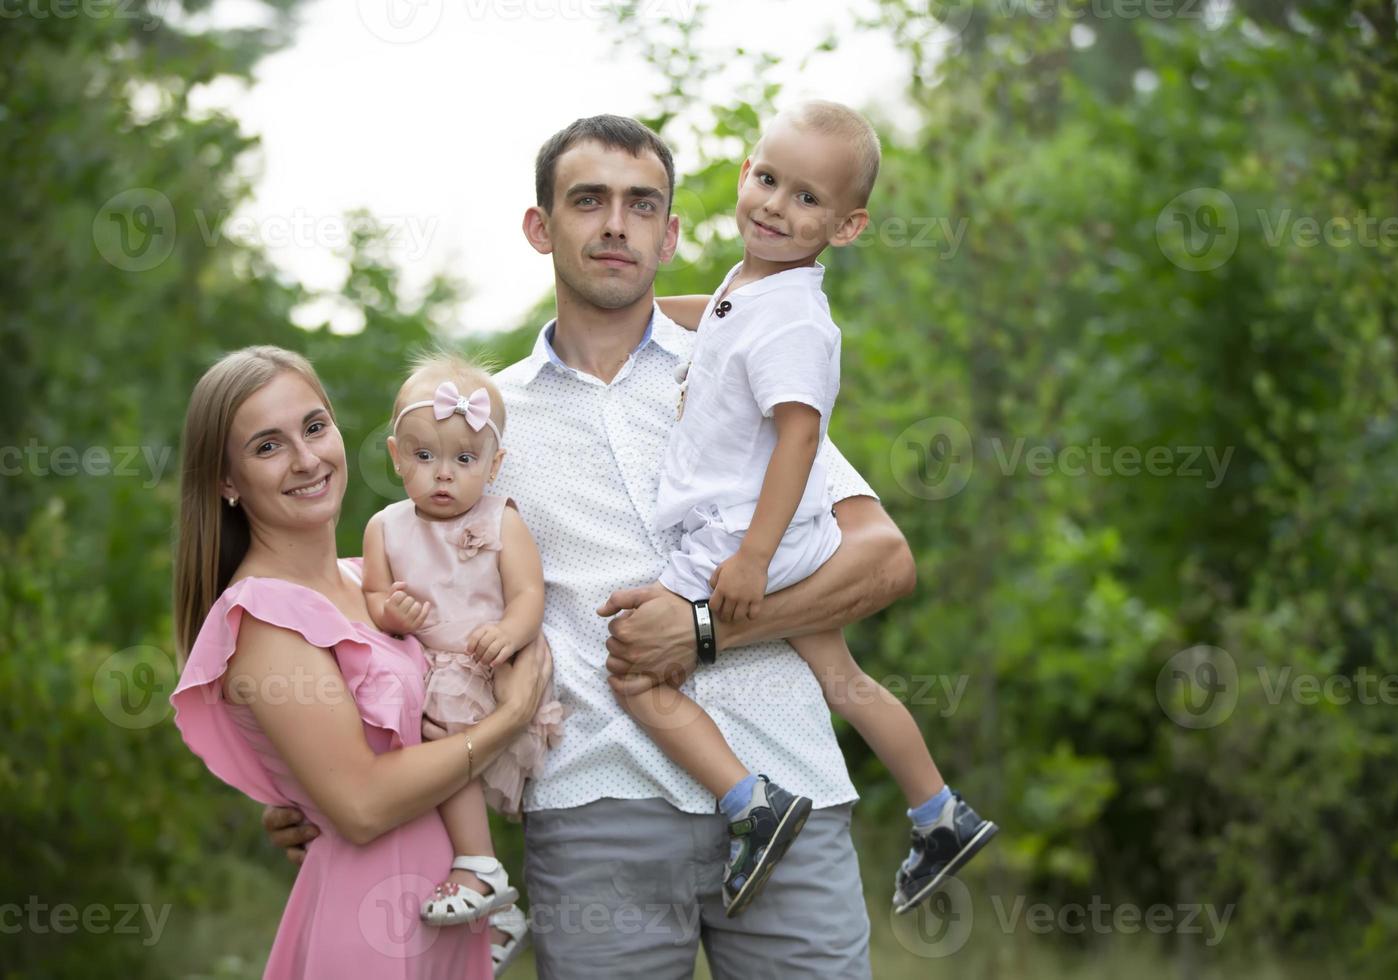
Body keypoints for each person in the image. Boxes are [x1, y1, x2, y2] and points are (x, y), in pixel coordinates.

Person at [265, 115, 914, 978]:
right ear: (542, 227)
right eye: (588, 201)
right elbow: (406, 616)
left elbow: (883, 561)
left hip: (787, 777)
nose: (616, 223)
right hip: (594, 807)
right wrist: (330, 771)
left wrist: (705, 631)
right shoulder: (479, 425)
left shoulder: (741, 363)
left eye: (642, 204)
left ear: (672, 232)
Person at [620, 101, 998, 918]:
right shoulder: (753, 282)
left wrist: (753, 556)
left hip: (743, 532)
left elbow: (799, 440)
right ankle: (939, 812)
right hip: (768, 531)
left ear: (848, 225)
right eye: (766, 179)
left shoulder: (795, 317)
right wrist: (641, 312)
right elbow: (711, 323)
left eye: (806, 199)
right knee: (841, 676)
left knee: (635, 667)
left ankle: (752, 804)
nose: (773, 205)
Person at [171, 345, 550, 978]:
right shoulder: (264, 616)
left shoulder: (367, 583)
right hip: (373, 923)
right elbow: (362, 805)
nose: (306, 459)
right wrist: (508, 720)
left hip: (444, 903)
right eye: (268, 447)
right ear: (226, 481)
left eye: (315, 427)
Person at [361, 349, 567, 967]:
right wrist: (391, 613)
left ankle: (482, 869)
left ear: (494, 465)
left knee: (444, 739)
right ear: (397, 458)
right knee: (422, 748)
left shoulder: (502, 517)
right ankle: (499, 913)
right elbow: (373, 595)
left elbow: (531, 592)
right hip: (429, 668)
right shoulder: (385, 527)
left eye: (464, 459)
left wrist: (509, 629)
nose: (442, 475)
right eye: (424, 458)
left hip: (493, 665)